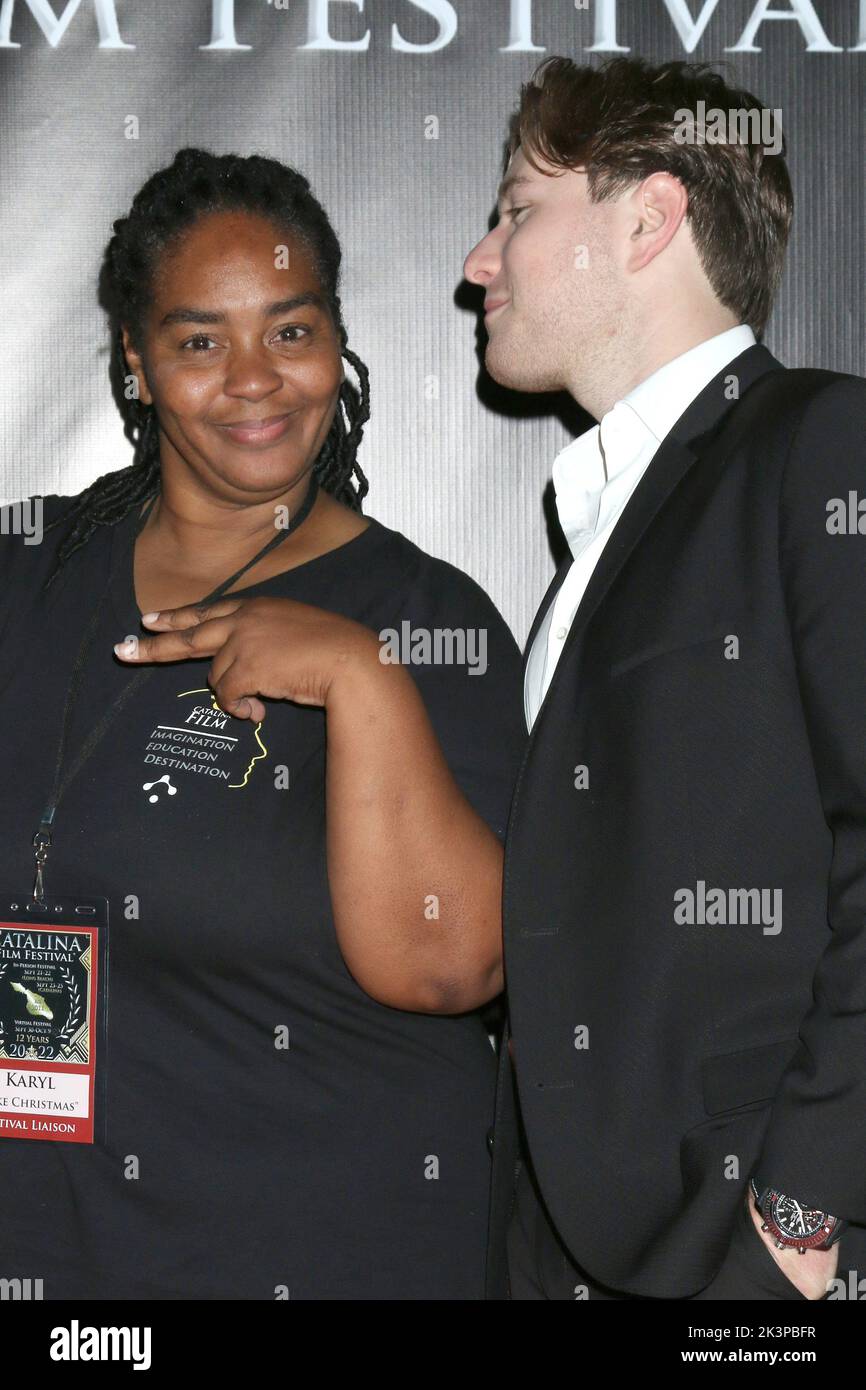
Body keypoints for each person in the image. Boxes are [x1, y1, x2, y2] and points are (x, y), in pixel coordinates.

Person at [0, 148, 525, 1299]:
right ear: (135, 367)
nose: (254, 379)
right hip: (62, 1256)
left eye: (291, 331)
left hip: (326, 1251)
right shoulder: (29, 572)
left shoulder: (429, 621)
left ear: (339, 346)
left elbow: (457, 963)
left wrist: (359, 678)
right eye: (199, 341)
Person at [463, 56, 866, 1300]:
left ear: (647, 216)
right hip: (575, 1251)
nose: (478, 262)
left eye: (517, 209)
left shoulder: (820, 446)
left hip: (749, 1256)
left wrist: (799, 1213)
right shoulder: (596, 539)